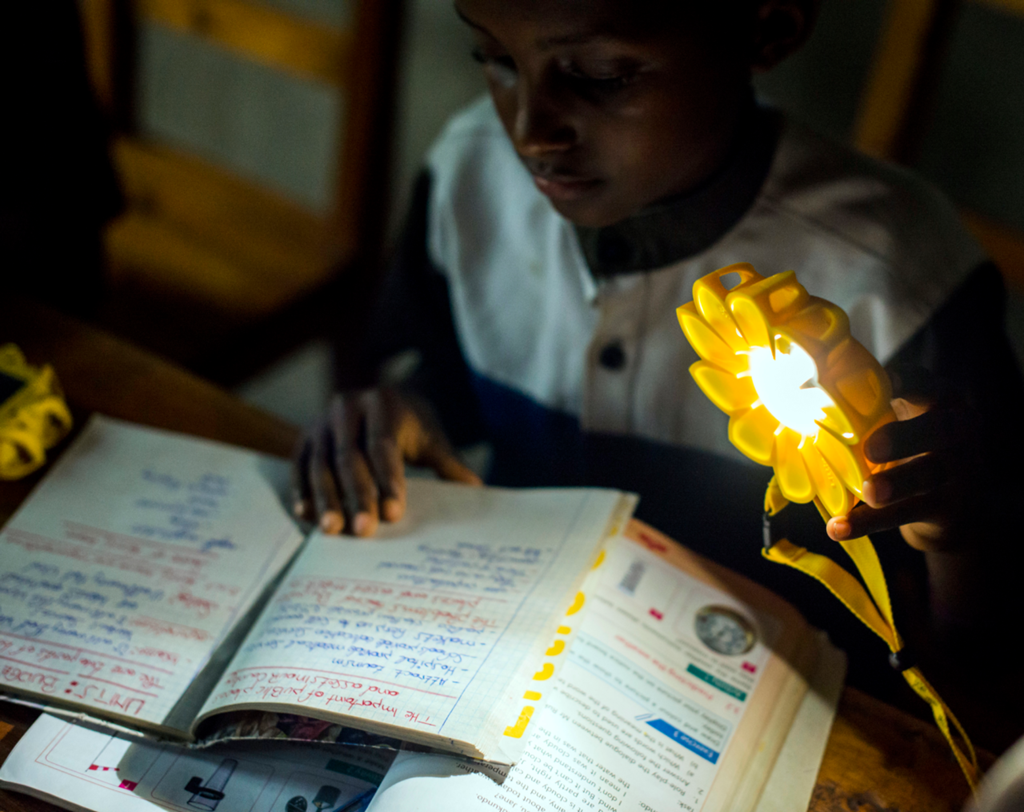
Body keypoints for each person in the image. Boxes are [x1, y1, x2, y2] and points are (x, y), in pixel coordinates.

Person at [295, 0, 1024, 734]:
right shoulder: (471, 170)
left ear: (767, 29)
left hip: (800, 723)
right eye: (497, 59)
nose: (531, 130)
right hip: (507, 665)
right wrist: (404, 407)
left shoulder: (898, 275)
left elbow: (989, 652)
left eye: (602, 75)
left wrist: (955, 534)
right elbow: (436, 371)